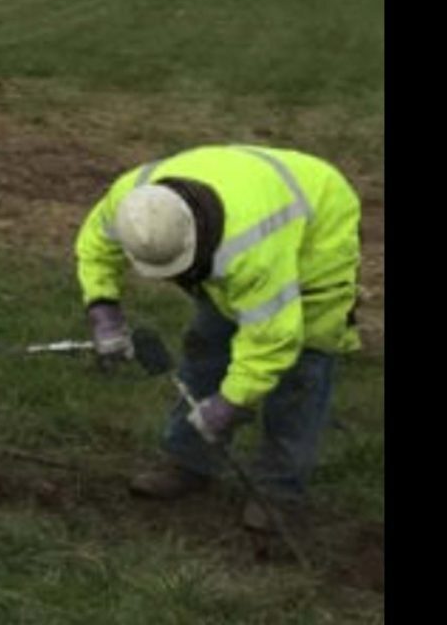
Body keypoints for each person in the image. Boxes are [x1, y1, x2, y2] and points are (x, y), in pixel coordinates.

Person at [74, 143, 363, 530]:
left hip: (318, 215)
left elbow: (272, 339)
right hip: (245, 193)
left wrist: (230, 402)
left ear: (196, 240)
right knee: (208, 343)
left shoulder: (251, 249)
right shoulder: (133, 199)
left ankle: (279, 489)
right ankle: (188, 461)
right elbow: (96, 244)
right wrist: (103, 307)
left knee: (300, 367)